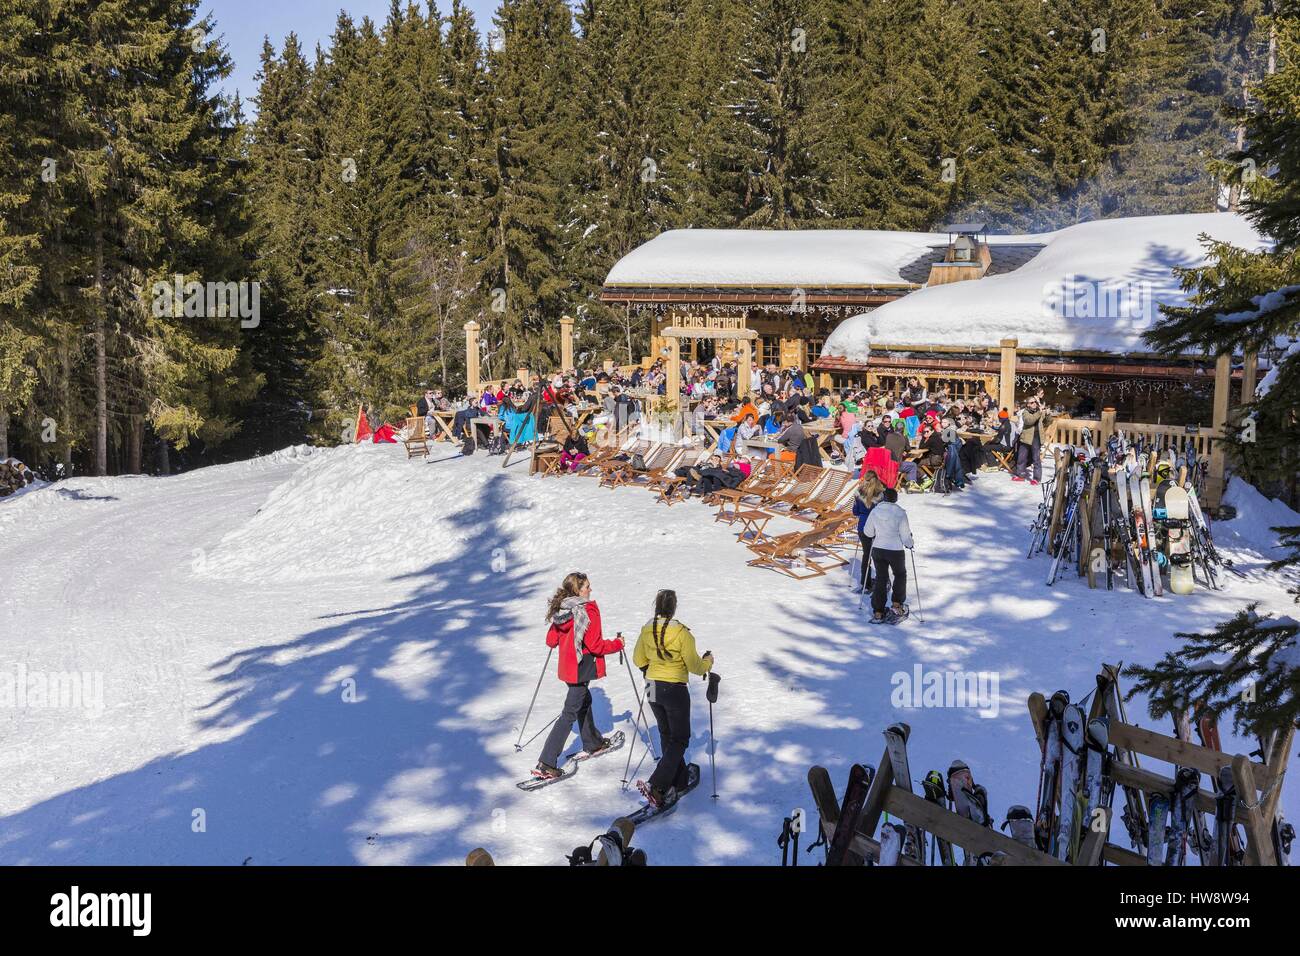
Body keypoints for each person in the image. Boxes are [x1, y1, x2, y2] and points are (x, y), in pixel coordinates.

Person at [534, 573, 624, 780]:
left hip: (567, 669)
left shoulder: (563, 609)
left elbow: (550, 640)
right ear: (577, 590)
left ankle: (593, 742)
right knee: (569, 713)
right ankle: (547, 762)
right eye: (586, 587)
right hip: (581, 667)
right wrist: (618, 644)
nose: (590, 590)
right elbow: (595, 645)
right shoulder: (587, 610)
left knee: (585, 701)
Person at [632, 589, 713, 808]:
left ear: (656, 606)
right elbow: (695, 666)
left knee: (666, 732)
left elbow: (637, 658)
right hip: (674, 688)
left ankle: (678, 780)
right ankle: (657, 785)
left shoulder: (646, 629)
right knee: (680, 739)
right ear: (674, 607)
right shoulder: (682, 633)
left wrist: (652, 670)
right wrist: (708, 663)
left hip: (652, 685)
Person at [862, 487, 914, 624]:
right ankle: (897, 605)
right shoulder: (900, 513)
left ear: (883, 498)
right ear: (895, 499)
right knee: (900, 574)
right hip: (895, 549)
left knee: (881, 578)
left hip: (878, 548)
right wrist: (910, 543)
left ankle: (878, 612)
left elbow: (868, 532)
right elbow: (905, 535)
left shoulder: (875, 511)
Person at [852, 468, 885, 593]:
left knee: (867, 555)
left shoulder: (858, 493)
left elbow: (855, 512)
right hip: (876, 527)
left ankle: (865, 583)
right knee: (878, 555)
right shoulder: (881, 494)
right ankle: (881, 580)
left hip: (863, 527)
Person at [1014, 396, 1052, 485]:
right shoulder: (1025, 412)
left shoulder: (1039, 412)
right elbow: (1029, 421)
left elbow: (1047, 422)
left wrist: (1047, 414)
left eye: (1035, 402)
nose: (1034, 403)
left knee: (1036, 459)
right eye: (1031, 402)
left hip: (1036, 438)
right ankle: (1021, 475)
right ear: (1027, 405)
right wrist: (1040, 412)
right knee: (1022, 457)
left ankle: (1036, 478)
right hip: (1026, 437)